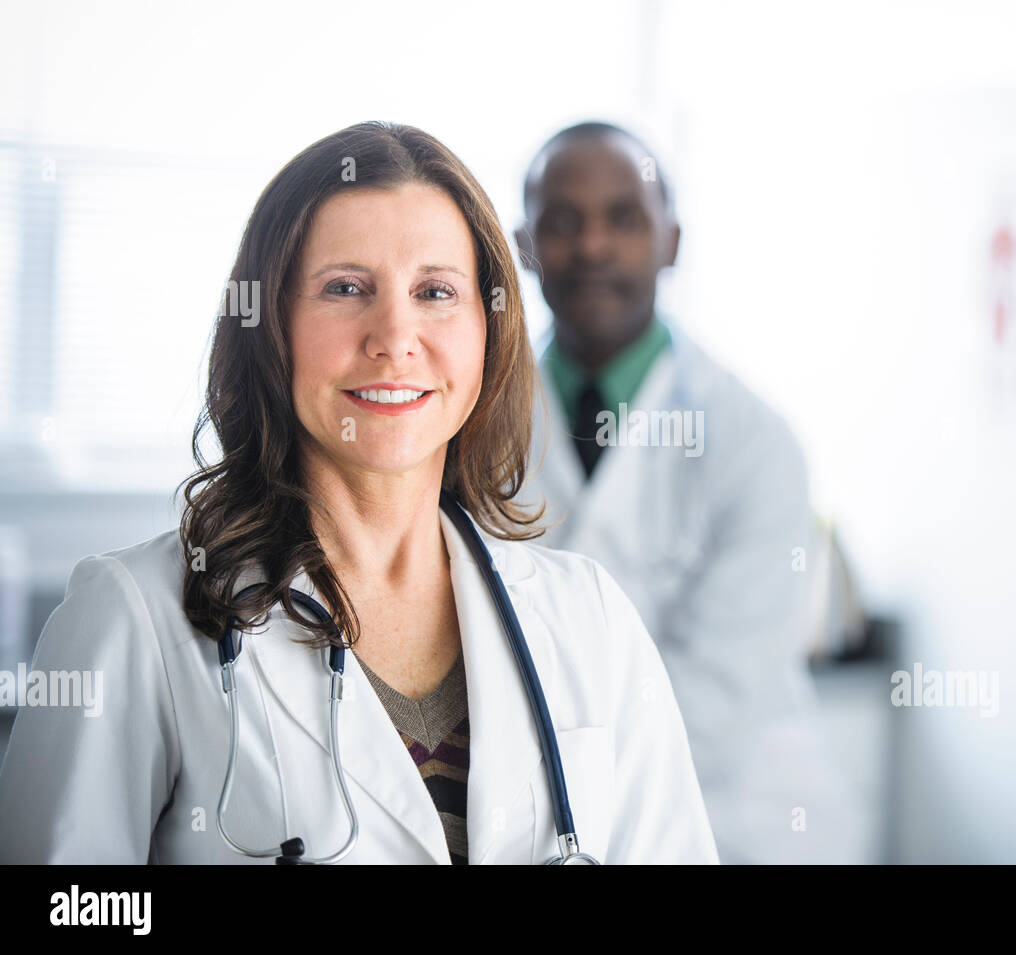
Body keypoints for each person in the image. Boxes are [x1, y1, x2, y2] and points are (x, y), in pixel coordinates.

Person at [0, 121, 718, 865]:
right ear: (269, 324)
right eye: (346, 288)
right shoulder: (133, 617)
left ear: (487, 332)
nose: (395, 335)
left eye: (435, 290)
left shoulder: (590, 619)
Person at [514, 122, 865, 863]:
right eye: (562, 221)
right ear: (521, 244)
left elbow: (717, 693)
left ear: (672, 240)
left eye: (624, 218)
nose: (592, 247)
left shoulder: (754, 441)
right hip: (536, 823)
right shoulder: (470, 427)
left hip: (738, 818)